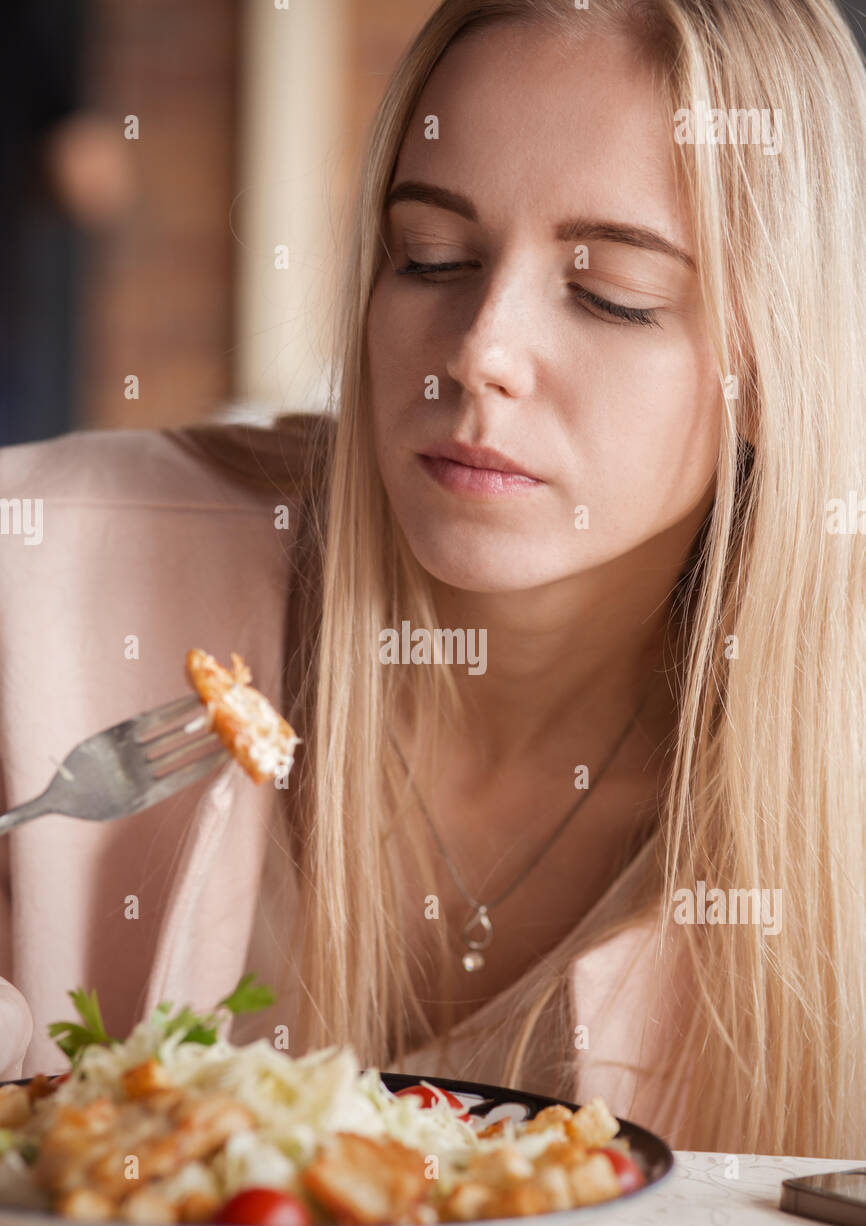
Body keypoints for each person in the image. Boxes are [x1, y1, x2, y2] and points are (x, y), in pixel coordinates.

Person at [2, 0, 865, 1159]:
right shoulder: (38, 566)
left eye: (611, 291)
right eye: (431, 258)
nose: (476, 351)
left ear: (773, 364)